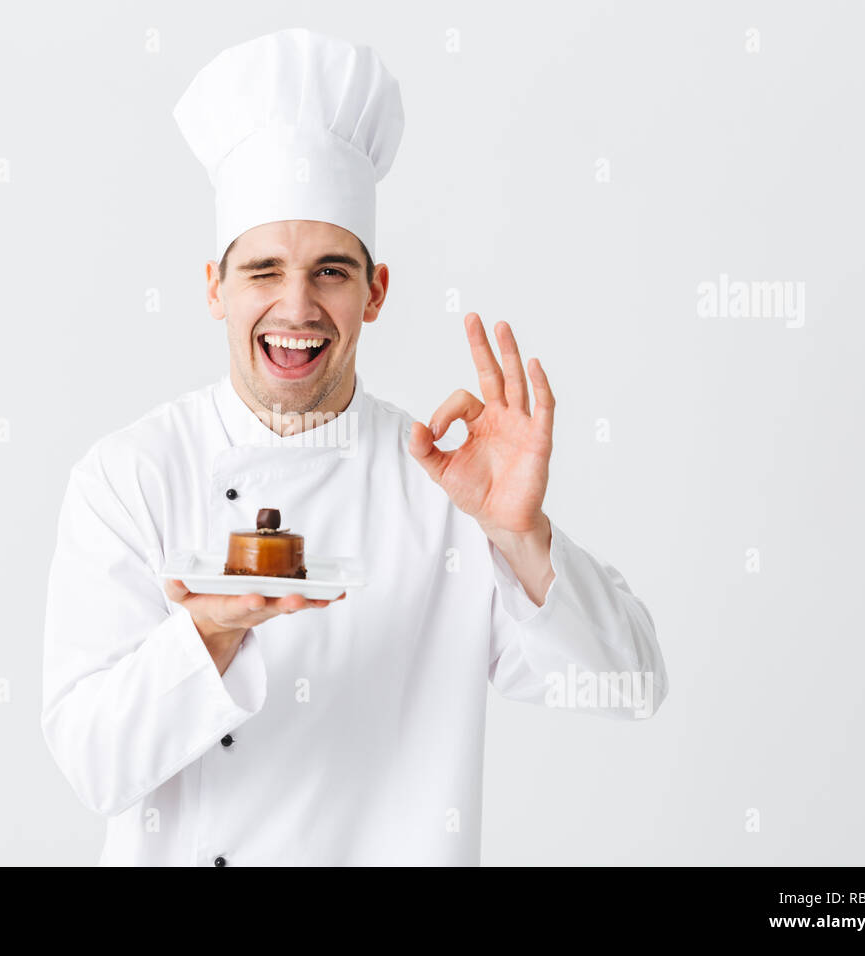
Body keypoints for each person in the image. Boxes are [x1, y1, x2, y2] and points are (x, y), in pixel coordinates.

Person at [40, 27, 668, 866]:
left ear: (375, 292)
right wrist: (212, 635)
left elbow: (632, 687)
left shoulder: (444, 489)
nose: (296, 308)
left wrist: (520, 532)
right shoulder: (129, 478)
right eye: (263, 270)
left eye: (331, 271)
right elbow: (92, 764)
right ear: (214, 289)